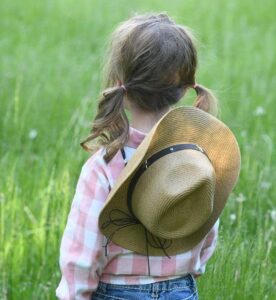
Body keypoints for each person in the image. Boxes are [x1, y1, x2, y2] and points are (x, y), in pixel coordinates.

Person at [56, 12, 240, 300]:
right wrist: (192, 268)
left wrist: (75, 295)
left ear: (121, 83)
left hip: (116, 292)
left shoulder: (105, 167)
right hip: (180, 289)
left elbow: (82, 252)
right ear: (183, 90)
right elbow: (207, 225)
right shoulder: (197, 161)